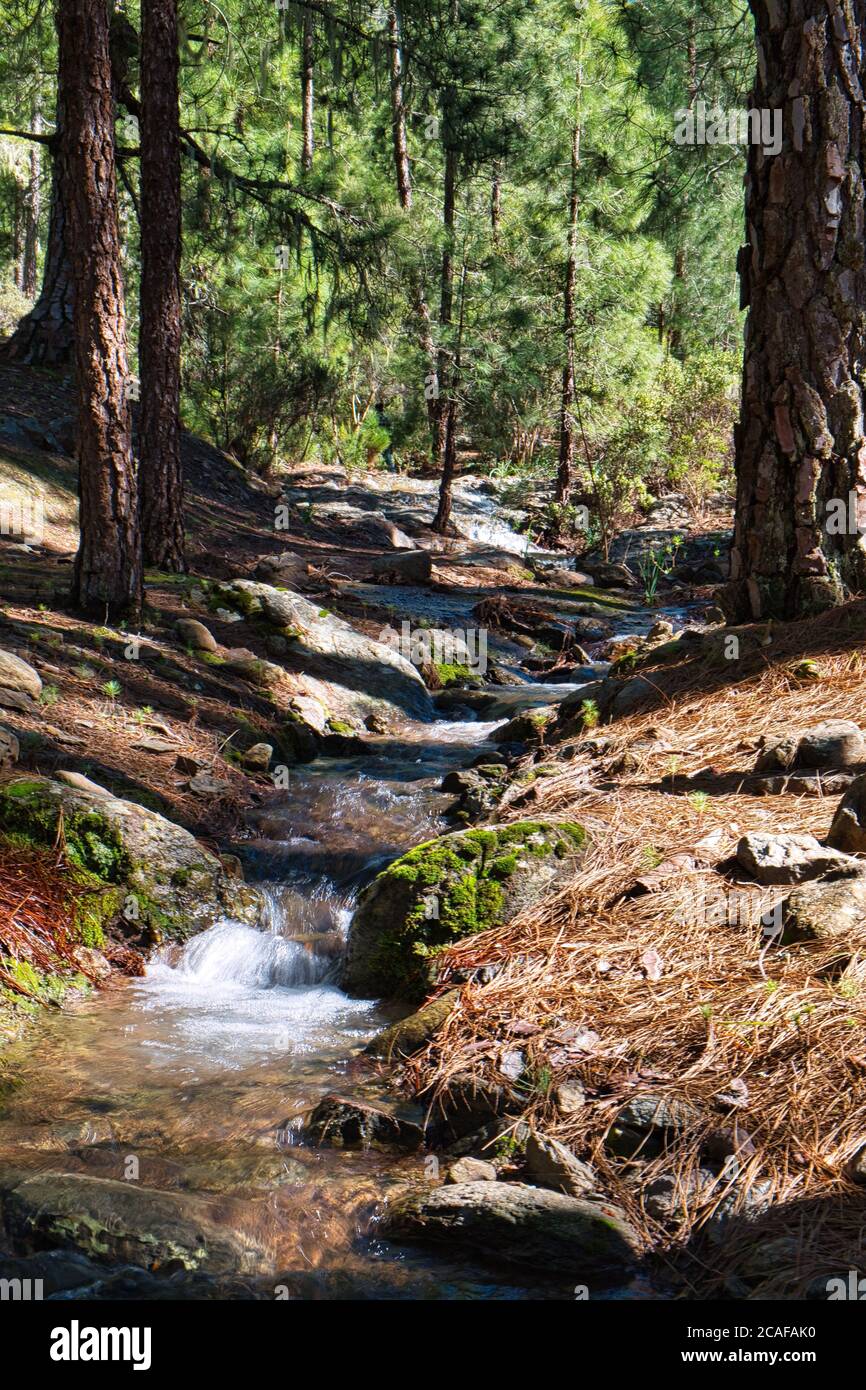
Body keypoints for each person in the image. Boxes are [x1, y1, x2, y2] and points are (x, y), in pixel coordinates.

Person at [375, 398, 395, 472]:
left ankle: (391, 470)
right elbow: (390, 429)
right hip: (387, 438)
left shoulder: (376, 417)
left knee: (383, 455)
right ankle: (392, 470)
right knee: (388, 455)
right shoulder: (386, 417)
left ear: (376, 409)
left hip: (378, 439)